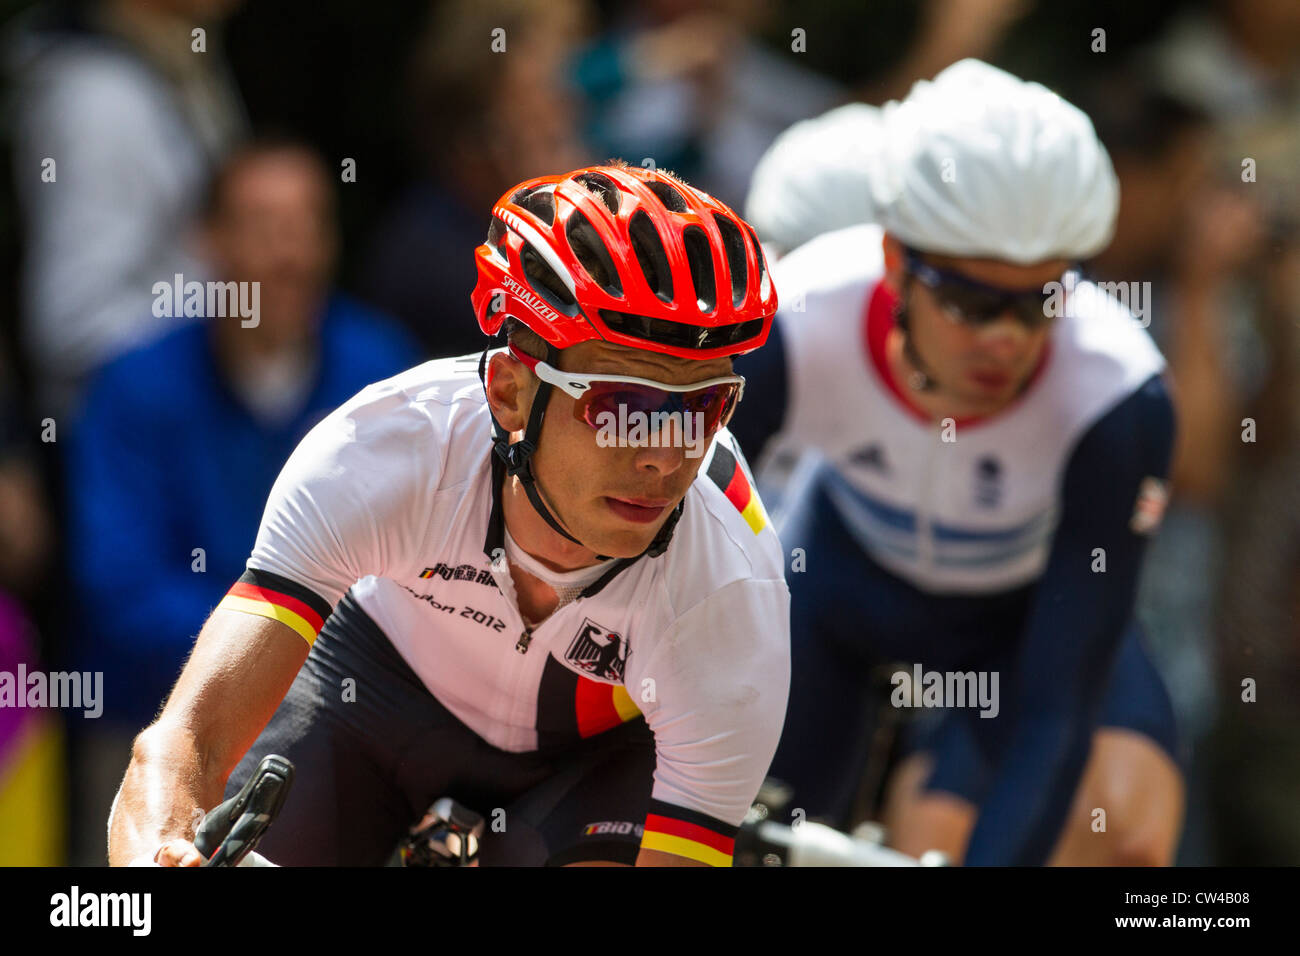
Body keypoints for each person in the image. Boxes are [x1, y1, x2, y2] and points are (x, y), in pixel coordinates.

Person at [107, 161, 789, 867]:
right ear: (510, 393)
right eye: (625, 410)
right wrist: (158, 858)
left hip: (599, 760)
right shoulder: (384, 452)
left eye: (702, 409)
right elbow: (184, 745)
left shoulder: (733, 593)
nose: (664, 459)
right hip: (374, 696)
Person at [731, 60, 1184, 866]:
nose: (1006, 340)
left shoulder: (1120, 393)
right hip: (841, 591)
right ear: (897, 264)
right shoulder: (799, 315)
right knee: (760, 835)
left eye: (1042, 301)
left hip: (1019, 623)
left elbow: (1055, 710)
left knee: (1123, 839)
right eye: (972, 303)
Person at [63, 139, 419, 864]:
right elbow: (118, 584)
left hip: (342, 715)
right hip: (152, 702)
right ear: (209, 241)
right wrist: (264, 659)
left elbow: (417, 566)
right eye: (262, 227)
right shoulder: (133, 386)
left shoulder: (379, 369)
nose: (287, 254)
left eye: (306, 225)